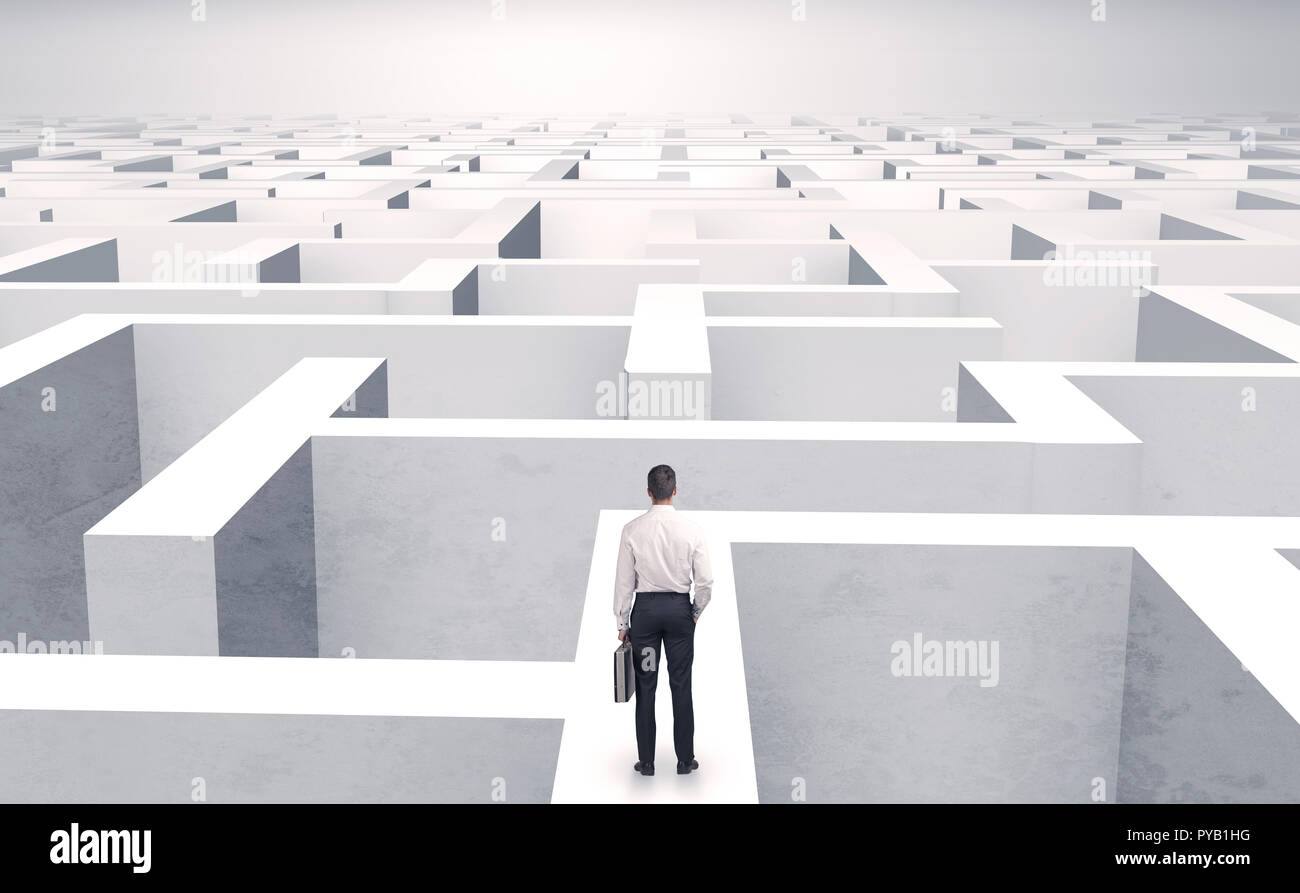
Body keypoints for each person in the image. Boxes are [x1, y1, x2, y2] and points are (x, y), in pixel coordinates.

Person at [613, 464, 713, 777]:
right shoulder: (692, 530)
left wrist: (622, 623)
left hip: (644, 616)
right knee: (681, 685)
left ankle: (647, 763)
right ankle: (685, 760)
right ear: (675, 491)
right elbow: (706, 581)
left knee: (646, 687)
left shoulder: (632, 530)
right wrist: (695, 611)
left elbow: (623, 582)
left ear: (648, 492)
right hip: (679, 614)